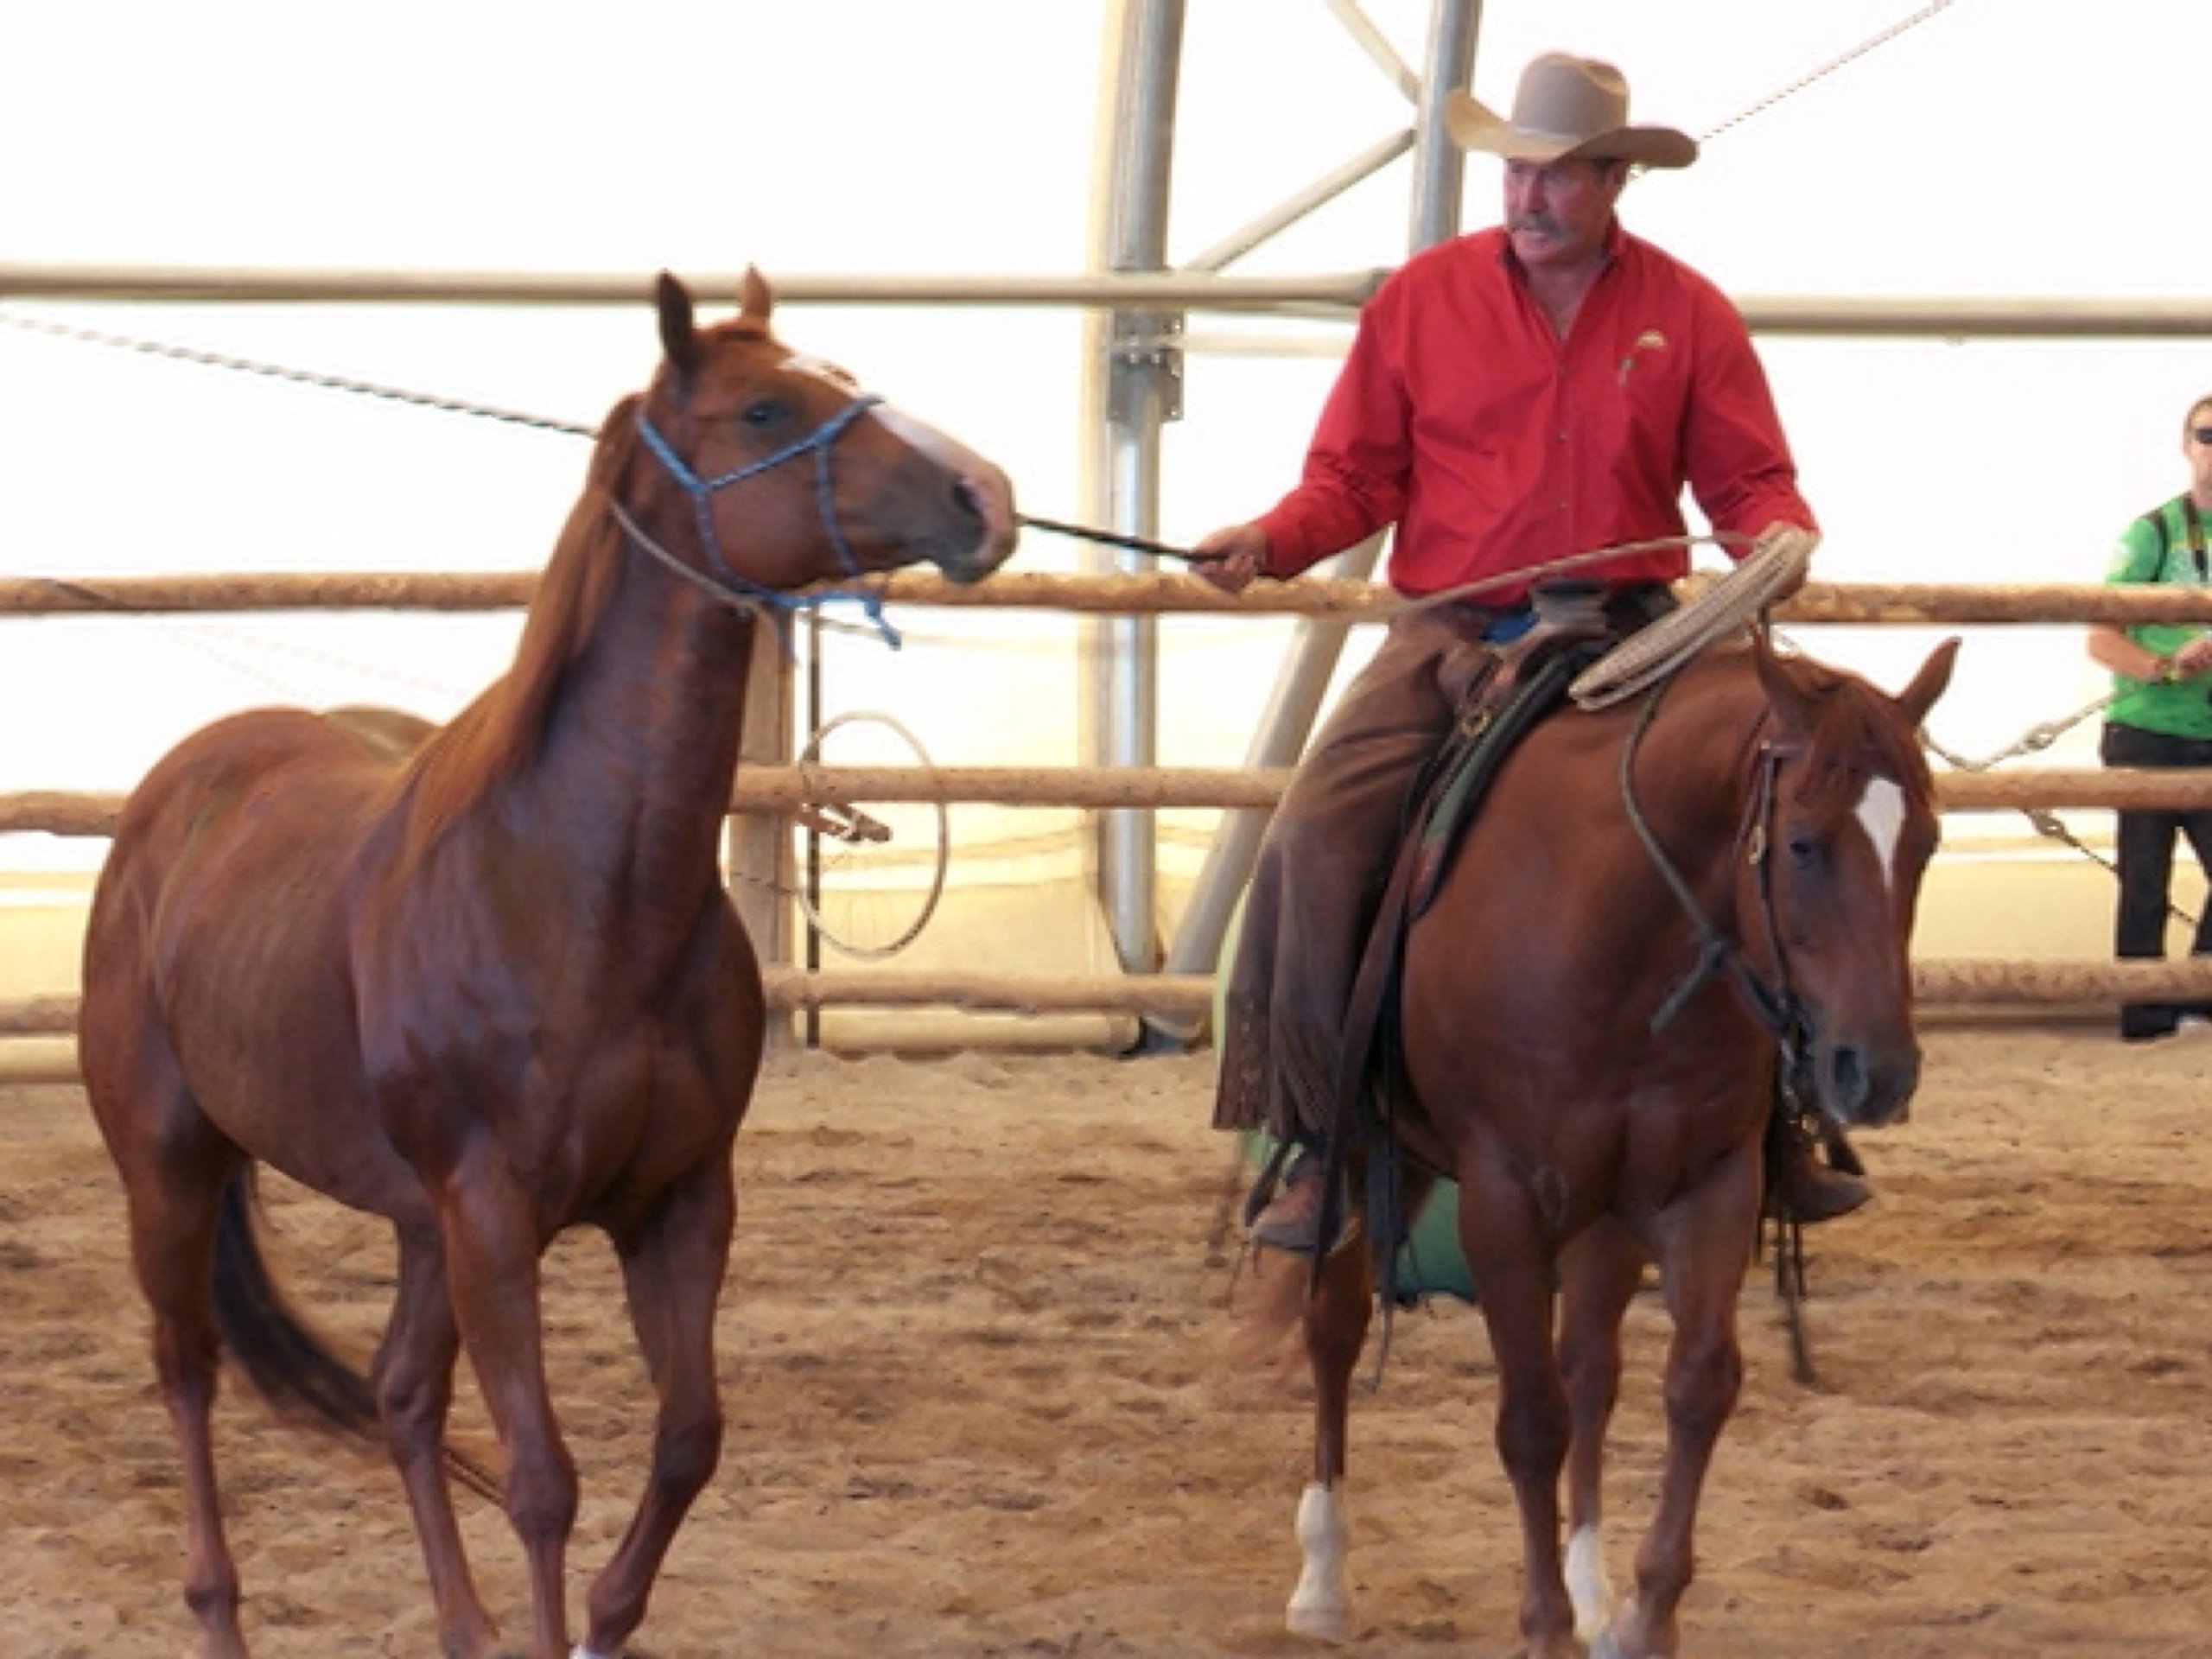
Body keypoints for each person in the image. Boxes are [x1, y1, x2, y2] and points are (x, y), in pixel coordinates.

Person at [1194, 50, 1866, 1250]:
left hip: (1634, 632)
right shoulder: (1420, 299)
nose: (1529, 198)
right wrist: (1272, 538)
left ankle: (1781, 1124)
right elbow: (1354, 475)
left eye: (1558, 177)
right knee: (1314, 833)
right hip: (1456, 632)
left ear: (1615, 180)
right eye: (1516, 173)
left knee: (1773, 820)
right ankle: (1319, 1142)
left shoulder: (1688, 313)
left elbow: (1751, 481)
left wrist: (1777, 536)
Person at [2085, 393, 2212, 1042]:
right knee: (2144, 881)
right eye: (2207, 434)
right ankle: (2143, 1017)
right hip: (2148, 729)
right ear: (2185, 444)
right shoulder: (2153, 533)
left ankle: (2195, 996)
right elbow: (2100, 637)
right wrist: (2166, 667)